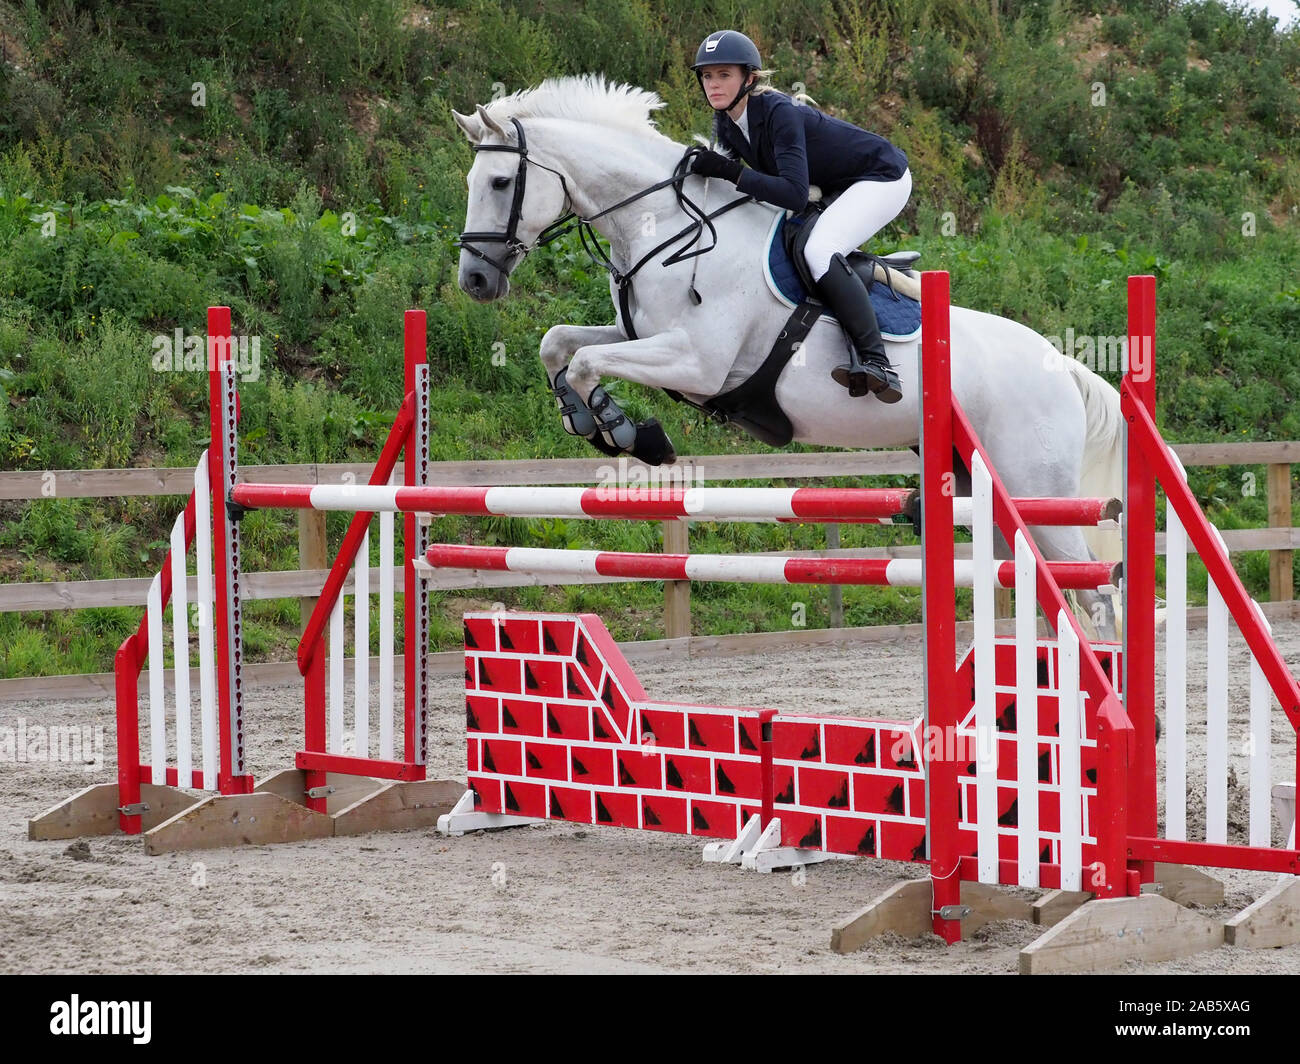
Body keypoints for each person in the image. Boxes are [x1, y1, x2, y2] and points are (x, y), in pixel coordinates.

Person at [689, 30, 911, 402]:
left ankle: (878, 363)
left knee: (819, 251)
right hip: (836, 184)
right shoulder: (727, 119)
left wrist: (728, 171)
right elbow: (736, 183)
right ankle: (861, 274)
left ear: (750, 78)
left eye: (724, 75)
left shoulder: (780, 113)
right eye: (707, 76)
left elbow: (791, 192)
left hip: (881, 178)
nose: (713, 84)